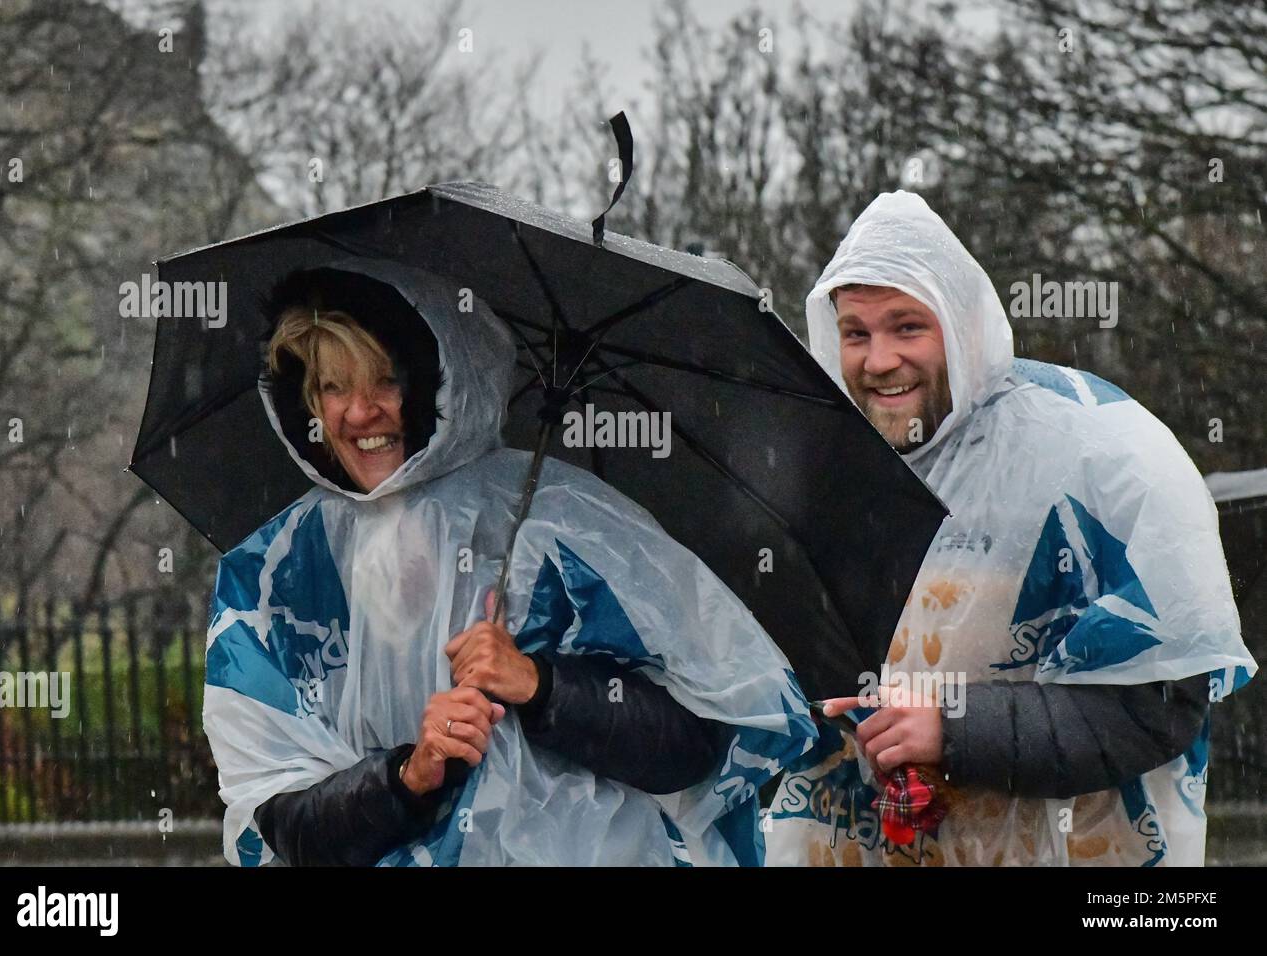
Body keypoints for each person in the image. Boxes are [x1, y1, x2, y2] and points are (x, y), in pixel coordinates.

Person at [202, 259, 816, 867]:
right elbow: (288, 828)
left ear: (437, 384)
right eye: (332, 387)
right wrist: (412, 775)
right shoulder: (273, 576)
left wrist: (539, 684)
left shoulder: (563, 522)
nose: (360, 413)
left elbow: (689, 747)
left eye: (385, 380)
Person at [766, 190, 1257, 866]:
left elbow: (1161, 704)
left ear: (964, 328)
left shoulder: (1096, 454)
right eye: (856, 332)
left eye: (907, 326)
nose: (878, 360)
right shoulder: (821, 479)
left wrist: (953, 730)